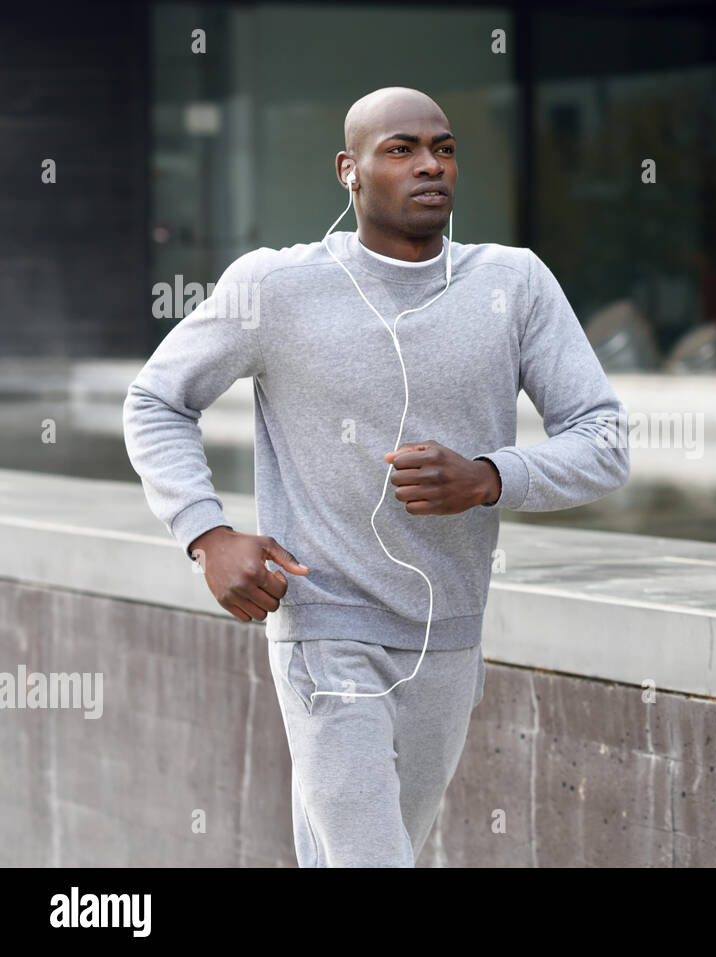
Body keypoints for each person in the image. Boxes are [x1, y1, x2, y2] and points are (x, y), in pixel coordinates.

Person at [122, 87, 631, 866]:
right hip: (322, 629)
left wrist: (491, 476)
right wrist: (207, 533)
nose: (431, 164)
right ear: (348, 171)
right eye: (401, 149)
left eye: (444, 147)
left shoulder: (515, 284)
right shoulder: (275, 288)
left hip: (448, 639)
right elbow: (156, 398)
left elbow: (603, 441)